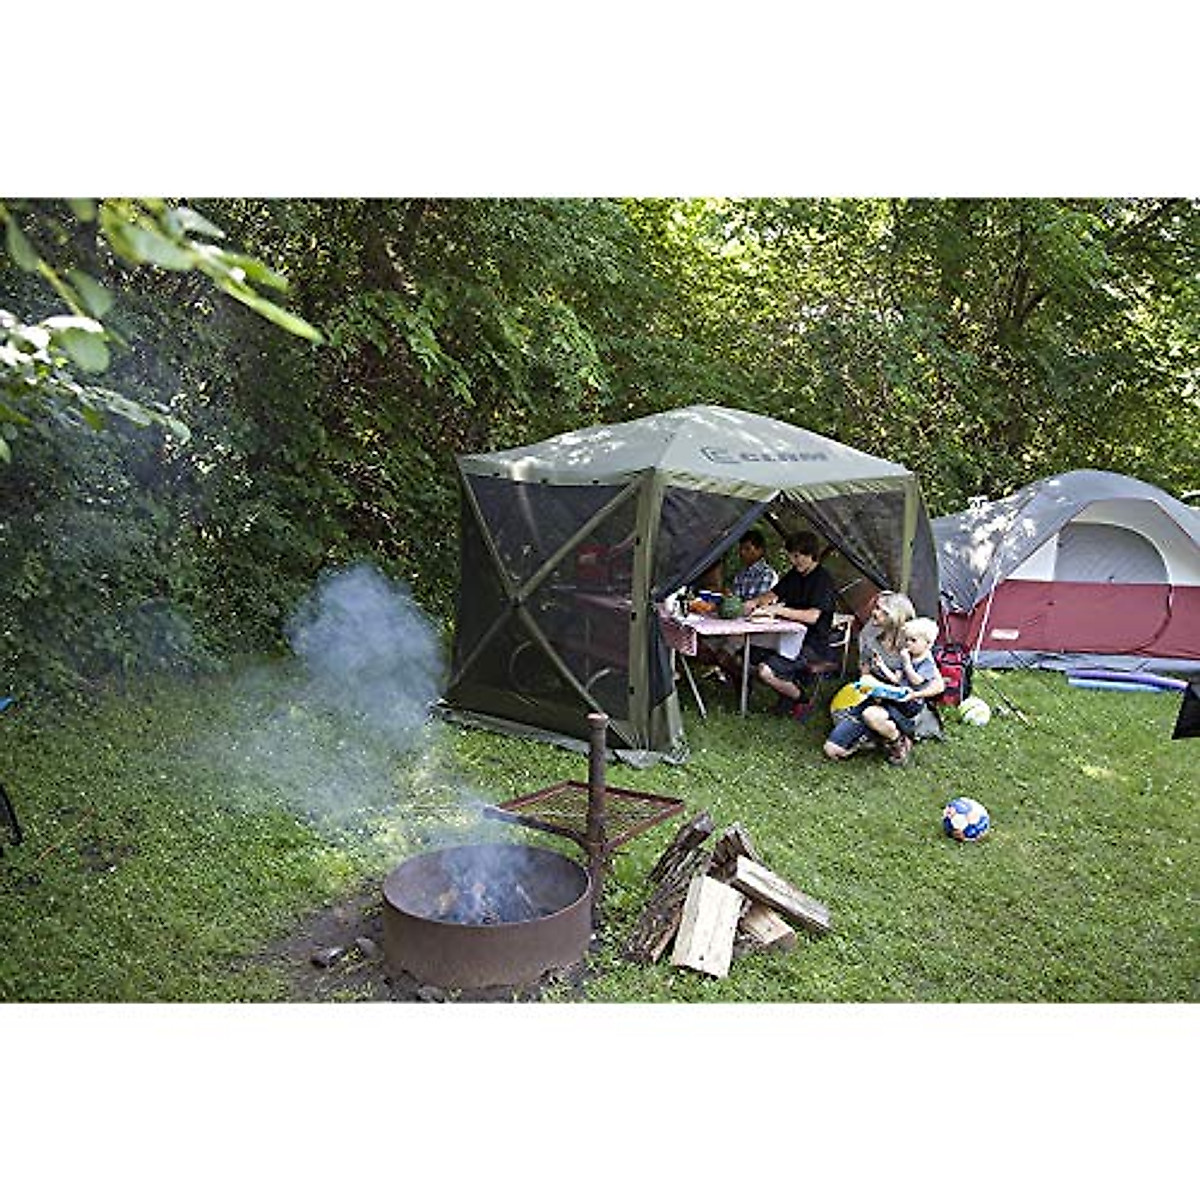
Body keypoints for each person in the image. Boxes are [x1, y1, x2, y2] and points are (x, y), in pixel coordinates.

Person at [824, 616, 945, 767]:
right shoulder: (873, 637)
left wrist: (908, 668)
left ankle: (898, 741)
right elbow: (896, 678)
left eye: (912, 641)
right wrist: (881, 667)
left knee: (871, 715)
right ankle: (872, 737)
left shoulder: (923, 660)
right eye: (907, 640)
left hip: (905, 704)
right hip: (884, 697)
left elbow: (919, 682)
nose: (908, 643)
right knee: (831, 750)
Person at [742, 530, 838, 712]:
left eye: (797, 556)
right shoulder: (795, 574)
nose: (793, 561)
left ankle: (802, 700)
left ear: (811, 554)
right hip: (787, 636)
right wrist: (754, 602)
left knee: (765, 670)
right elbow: (772, 594)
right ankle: (786, 695)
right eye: (791, 556)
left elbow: (812, 617)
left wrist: (778, 610)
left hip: (812, 644)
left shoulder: (823, 580)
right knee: (745, 654)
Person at [858, 591, 916, 680]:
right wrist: (865, 681)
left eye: (880, 609)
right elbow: (865, 663)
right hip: (873, 681)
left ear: (894, 616)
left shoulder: (911, 642)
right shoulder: (870, 631)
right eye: (876, 607)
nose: (874, 612)